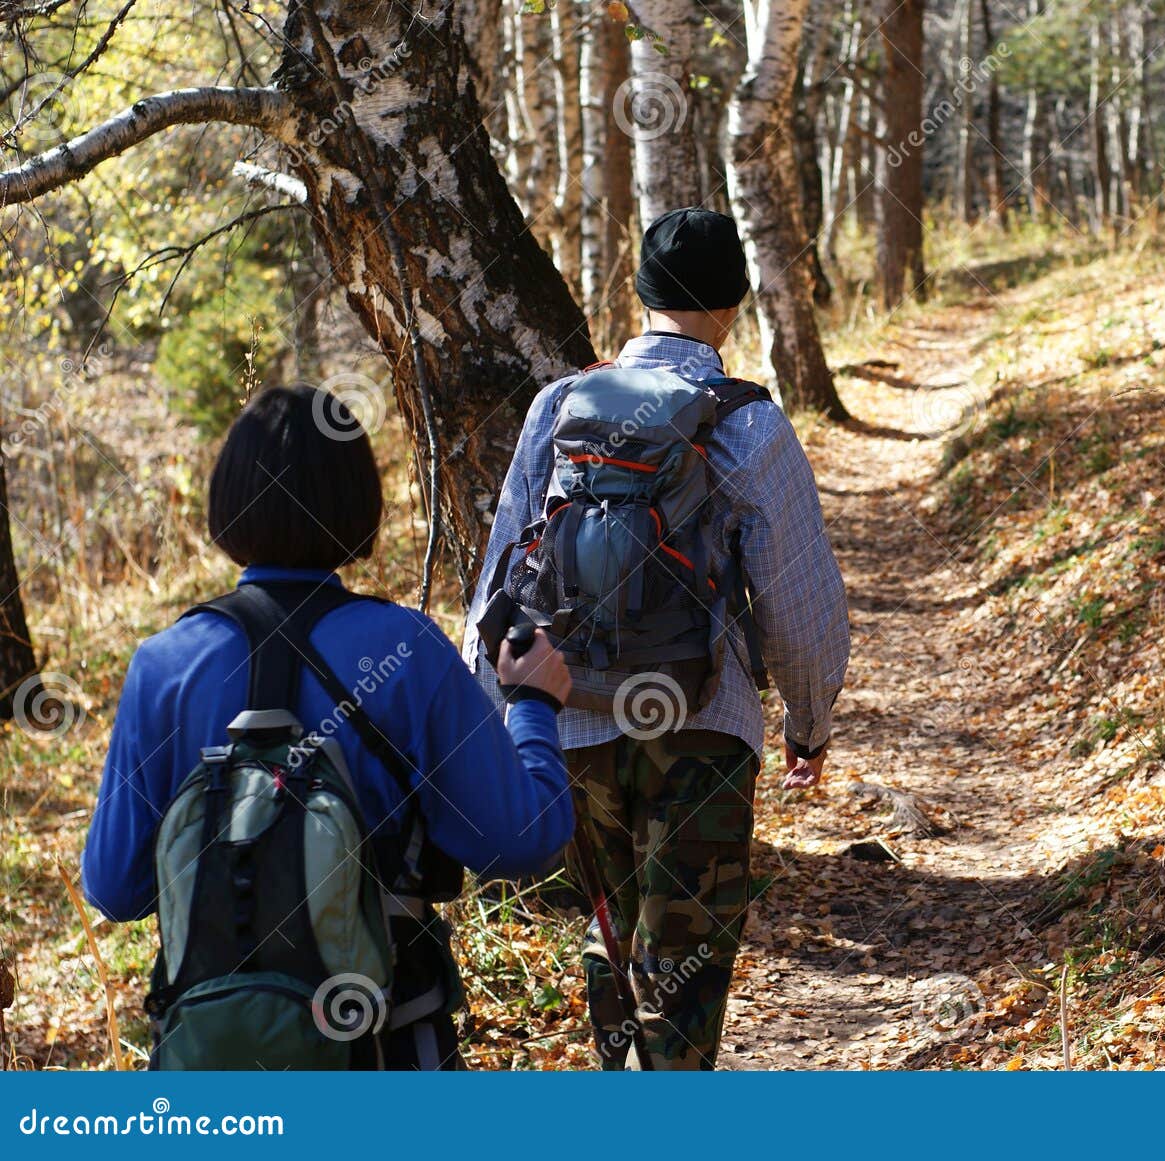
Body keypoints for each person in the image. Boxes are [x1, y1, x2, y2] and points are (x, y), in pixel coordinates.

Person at [83, 384, 575, 1069]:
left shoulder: (164, 664)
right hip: (385, 1047)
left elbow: (114, 887)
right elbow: (522, 840)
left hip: (214, 1065)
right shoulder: (404, 648)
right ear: (357, 503)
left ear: (227, 502)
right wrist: (532, 705)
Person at [465, 207, 850, 1070]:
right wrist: (808, 724)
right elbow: (798, 596)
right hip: (702, 731)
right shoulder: (748, 423)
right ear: (734, 305)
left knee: (610, 947)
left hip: (572, 729)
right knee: (681, 966)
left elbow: (501, 580)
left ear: (638, 295)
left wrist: (498, 727)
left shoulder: (559, 406)